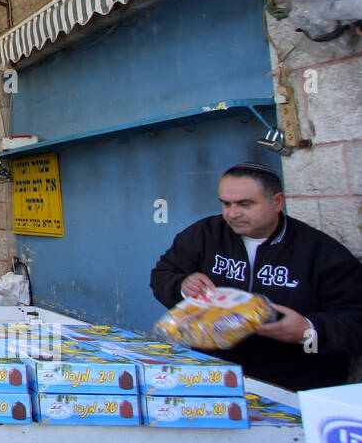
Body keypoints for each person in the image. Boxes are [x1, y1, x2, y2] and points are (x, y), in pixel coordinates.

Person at [150, 162, 362, 391]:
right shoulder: (204, 234)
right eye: (226, 203)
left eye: (245, 204)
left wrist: (308, 329)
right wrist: (183, 286)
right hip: (215, 378)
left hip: (293, 388)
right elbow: (162, 275)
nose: (232, 213)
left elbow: (355, 322)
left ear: (277, 202)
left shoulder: (320, 252)